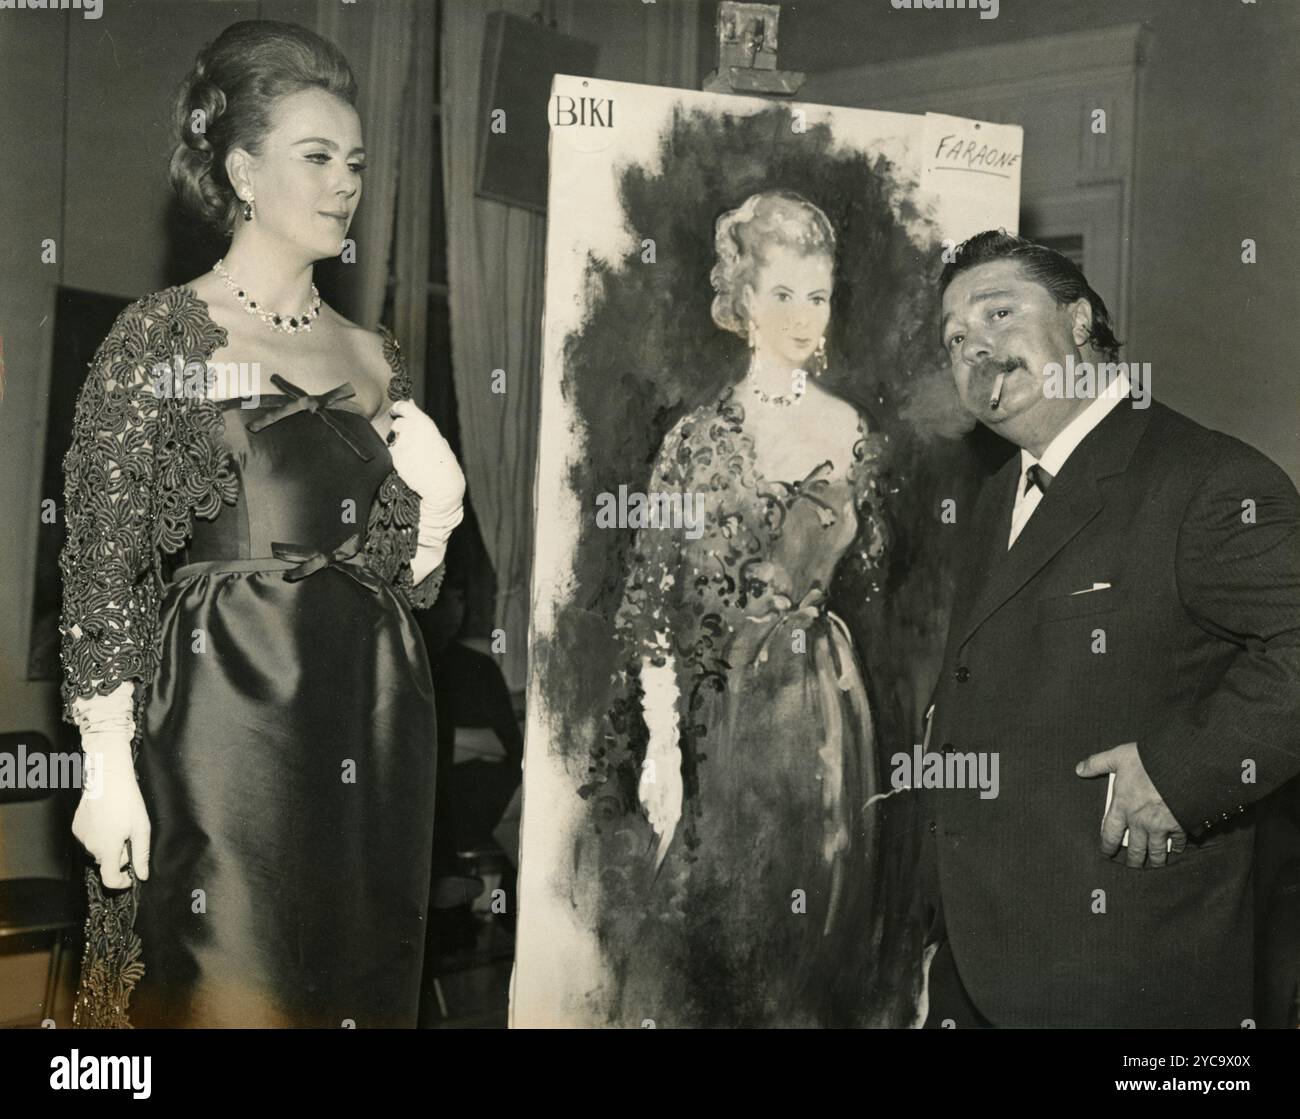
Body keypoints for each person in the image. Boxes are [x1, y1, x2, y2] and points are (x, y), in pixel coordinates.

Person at [59, 20, 465, 1028]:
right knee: (221, 991)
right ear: (243, 169)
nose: (345, 184)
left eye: (356, 163)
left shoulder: (377, 354)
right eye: (316, 158)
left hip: (371, 719)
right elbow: (100, 563)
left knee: (356, 989)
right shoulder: (161, 335)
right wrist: (104, 765)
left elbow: (403, 586)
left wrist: (433, 525)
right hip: (218, 724)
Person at [922, 230, 1300, 1028]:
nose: (976, 347)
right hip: (986, 964)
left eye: (999, 312)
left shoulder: (1205, 478)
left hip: (1127, 973)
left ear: (1082, 321)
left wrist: (1181, 774)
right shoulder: (998, 496)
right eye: (955, 338)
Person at [587, 190, 914, 1027]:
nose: (805, 316)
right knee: (716, 934)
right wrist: (662, 751)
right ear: (741, 300)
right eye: (783, 294)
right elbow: (652, 606)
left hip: (830, 719)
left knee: (819, 939)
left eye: (819, 295)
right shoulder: (697, 439)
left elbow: (872, 590)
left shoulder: (853, 434)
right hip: (722, 710)